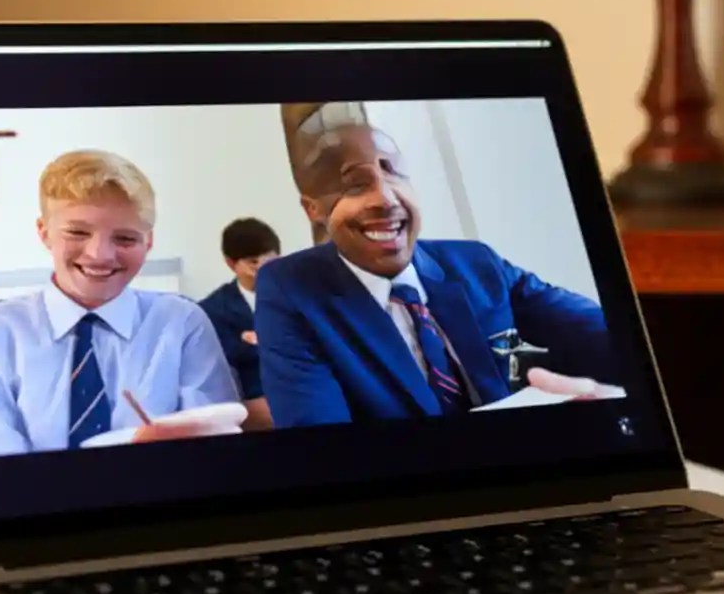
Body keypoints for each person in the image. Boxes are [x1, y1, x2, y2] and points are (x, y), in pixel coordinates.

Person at [255, 102, 623, 429]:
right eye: (354, 184)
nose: (385, 198)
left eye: (393, 172)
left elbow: (605, 337)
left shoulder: (476, 263)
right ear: (313, 209)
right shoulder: (290, 289)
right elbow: (322, 444)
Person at [0, 149, 241, 459]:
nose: (100, 254)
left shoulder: (181, 322)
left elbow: (216, 448)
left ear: (148, 242)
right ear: (44, 233)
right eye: (77, 232)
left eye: (125, 239)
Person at [198, 217, 280, 431]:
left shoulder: (298, 297)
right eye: (253, 262)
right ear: (231, 263)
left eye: (270, 260)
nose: (263, 269)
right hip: (250, 408)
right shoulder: (214, 310)